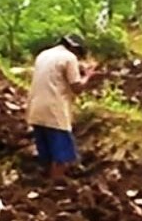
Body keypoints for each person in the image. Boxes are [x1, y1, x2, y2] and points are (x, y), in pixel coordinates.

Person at [26, 34, 96, 178]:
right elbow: (77, 87)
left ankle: (45, 185)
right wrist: (88, 76)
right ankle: (56, 187)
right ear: (74, 49)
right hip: (54, 111)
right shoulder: (69, 58)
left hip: (36, 108)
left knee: (46, 154)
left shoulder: (43, 54)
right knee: (61, 157)